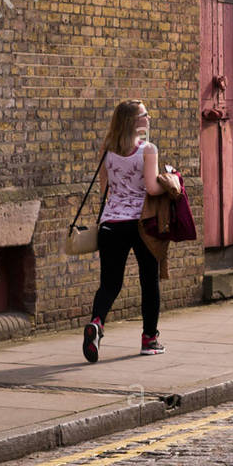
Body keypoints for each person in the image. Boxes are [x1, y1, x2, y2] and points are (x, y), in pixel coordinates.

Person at [83, 100, 167, 362]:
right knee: (148, 281)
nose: (148, 117)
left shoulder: (107, 151)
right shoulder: (148, 150)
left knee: (109, 283)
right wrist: (171, 183)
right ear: (134, 121)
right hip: (141, 224)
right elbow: (152, 189)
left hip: (111, 224)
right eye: (145, 114)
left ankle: (97, 323)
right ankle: (149, 339)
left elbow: (104, 189)